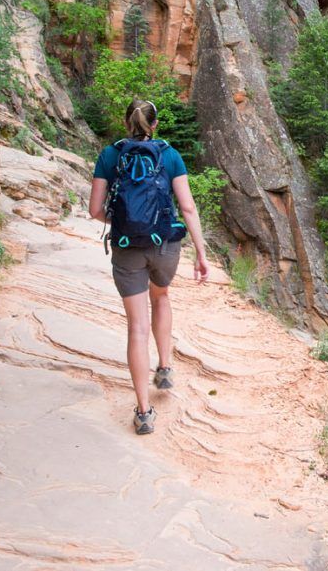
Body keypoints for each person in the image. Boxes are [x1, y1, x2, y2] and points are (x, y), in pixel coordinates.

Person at [88, 99, 209, 435]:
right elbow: (186, 206)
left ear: (126, 122)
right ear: (154, 125)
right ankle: (166, 367)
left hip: (127, 249)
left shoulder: (110, 155)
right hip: (165, 245)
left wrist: (125, 221)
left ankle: (143, 412)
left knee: (136, 328)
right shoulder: (169, 154)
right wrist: (200, 252)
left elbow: (95, 209)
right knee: (162, 297)